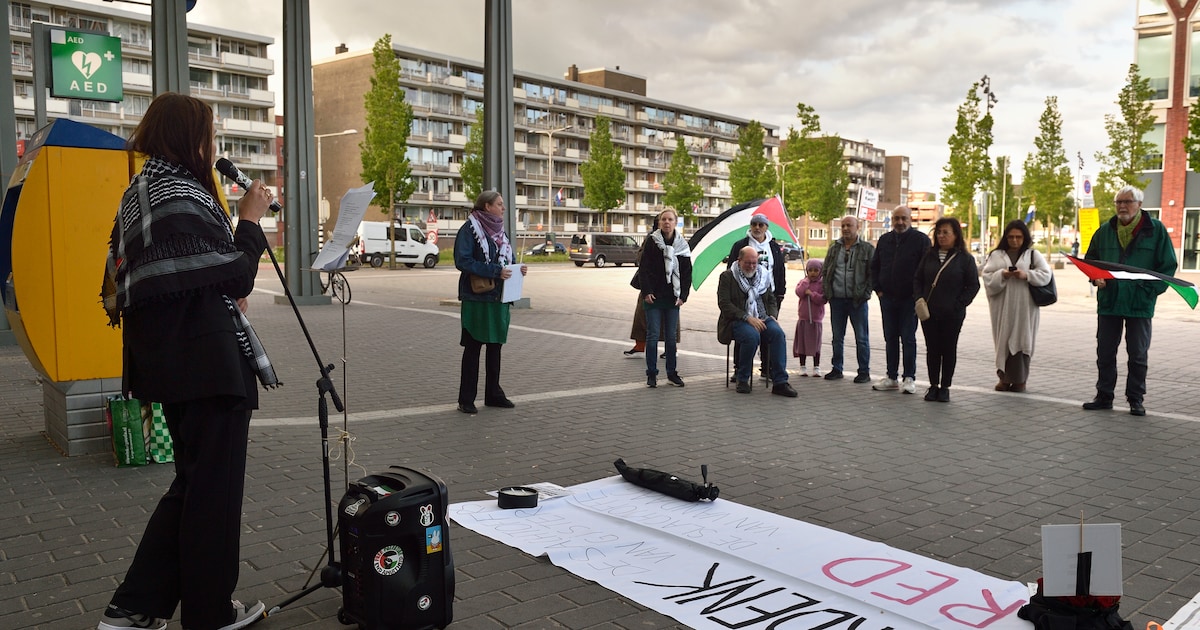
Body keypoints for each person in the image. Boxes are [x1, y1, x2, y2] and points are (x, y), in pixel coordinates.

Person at [97, 92, 273, 630]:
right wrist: (249, 220)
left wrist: (215, 286)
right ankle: (209, 613)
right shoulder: (177, 191)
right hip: (205, 361)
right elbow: (234, 272)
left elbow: (165, 277)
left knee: (193, 488)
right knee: (212, 498)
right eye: (208, 133)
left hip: (173, 361)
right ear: (187, 138)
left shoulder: (141, 191)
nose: (212, 144)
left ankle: (133, 610)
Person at [1082, 185, 1178, 417]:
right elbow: (1090, 261)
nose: (1122, 206)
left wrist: (1150, 291)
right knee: (1105, 351)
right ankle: (1104, 396)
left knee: (1137, 354)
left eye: (1128, 202)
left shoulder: (1156, 231)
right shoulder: (1105, 230)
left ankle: (1135, 398)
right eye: (1119, 202)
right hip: (1110, 302)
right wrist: (1096, 279)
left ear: (1139, 205)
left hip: (1139, 304)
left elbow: (1168, 266)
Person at [455, 191, 528, 414]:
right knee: (473, 348)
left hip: (499, 298)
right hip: (477, 298)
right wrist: (496, 271)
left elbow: (507, 259)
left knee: (495, 347)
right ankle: (466, 399)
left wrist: (517, 269)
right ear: (487, 206)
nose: (503, 208)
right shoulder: (470, 229)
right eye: (499, 204)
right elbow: (462, 260)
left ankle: (493, 394)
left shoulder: (500, 231)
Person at [981, 220, 1053, 392]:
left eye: (1018, 237)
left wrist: (1026, 275)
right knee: (1003, 340)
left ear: (1024, 238)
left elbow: (1046, 274)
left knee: (1022, 339)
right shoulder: (996, 255)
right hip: (1002, 306)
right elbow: (987, 275)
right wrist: (1002, 275)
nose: (1014, 240)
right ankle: (1004, 378)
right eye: (1011, 237)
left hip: (1024, 307)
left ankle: (1020, 379)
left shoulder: (1032, 255)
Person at [913, 217, 980, 403]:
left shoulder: (965, 259)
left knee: (948, 349)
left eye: (946, 232)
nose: (941, 236)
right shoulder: (929, 255)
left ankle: (945, 387)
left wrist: (958, 305)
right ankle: (933, 385)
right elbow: (917, 279)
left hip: (952, 315)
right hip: (929, 314)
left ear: (956, 235)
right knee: (932, 349)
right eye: (939, 232)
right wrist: (918, 298)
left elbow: (973, 285)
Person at [717, 247, 798, 397]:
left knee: (778, 334)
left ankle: (780, 382)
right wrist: (747, 318)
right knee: (751, 336)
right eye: (748, 263)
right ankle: (742, 378)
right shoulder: (727, 277)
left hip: (762, 317)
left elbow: (771, 299)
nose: (752, 266)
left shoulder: (763, 275)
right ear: (739, 261)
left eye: (755, 263)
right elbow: (724, 304)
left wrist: (773, 315)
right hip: (737, 319)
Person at [871, 205, 931, 394]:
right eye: (896, 218)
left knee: (908, 339)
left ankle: (909, 378)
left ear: (910, 220)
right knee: (890, 338)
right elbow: (875, 266)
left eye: (904, 218)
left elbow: (926, 270)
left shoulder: (921, 241)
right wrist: (878, 290)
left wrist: (919, 296)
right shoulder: (884, 240)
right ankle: (891, 377)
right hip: (887, 298)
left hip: (909, 300)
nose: (900, 222)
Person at [725, 213, 787, 377]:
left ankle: (769, 369)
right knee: (748, 335)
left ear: (767, 227)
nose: (758, 227)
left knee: (772, 331)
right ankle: (740, 369)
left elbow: (780, 269)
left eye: (761, 224)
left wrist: (780, 293)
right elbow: (731, 272)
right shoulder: (741, 245)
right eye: (755, 224)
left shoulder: (773, 246)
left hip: (767, 296)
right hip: (742, 299)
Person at [636, 208, 692, 388]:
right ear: (659, 223)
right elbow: (643, 269)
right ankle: (651, 373)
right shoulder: (652, 242)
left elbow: (687, 273)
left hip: (672, 297)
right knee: (652, 336)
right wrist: (647, 292)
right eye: (663, 220)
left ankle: (672, 373)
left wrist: (683, 296)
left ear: (676, 223)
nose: (667, 222)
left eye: (670, 220)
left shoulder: (682, 244)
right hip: (653, 296)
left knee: (670, 337)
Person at [821, 215, 874, 382]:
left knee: (862, 338)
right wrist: (827, 291)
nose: (845, 229)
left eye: (849, 225)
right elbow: (826, 270)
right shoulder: (834, 248)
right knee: (837, 337)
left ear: (857, 227)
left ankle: (864, 371)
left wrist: (866, 293)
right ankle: (837, 368)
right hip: (837, 300)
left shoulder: (867, 248)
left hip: (857, 300)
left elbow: (872, 274)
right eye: (843, 225)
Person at [793, 258, 826, 377]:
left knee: (815, 344)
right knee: (802, 343)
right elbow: (798, 292)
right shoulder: (803, 282)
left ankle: (816, 366)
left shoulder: (822, 284)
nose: (813, 273)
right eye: (810, 270)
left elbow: (822, 299)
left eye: (816, 270)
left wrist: (811, 294)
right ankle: (802, 366)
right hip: (803, 319)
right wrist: (805, 284)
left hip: (816, 319)